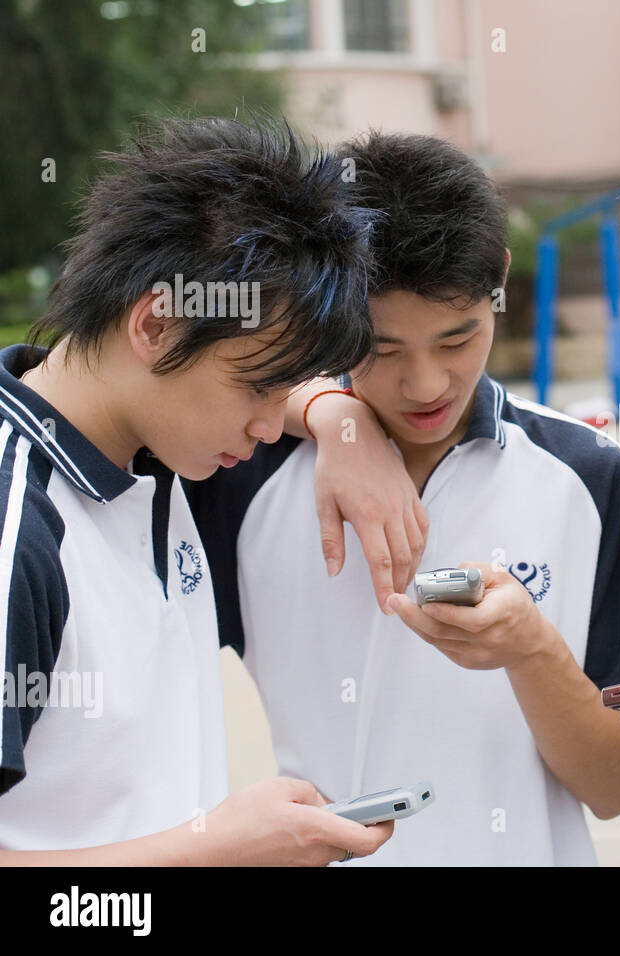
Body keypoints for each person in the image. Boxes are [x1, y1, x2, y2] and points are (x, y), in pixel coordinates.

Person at [195, 133, 620, 865]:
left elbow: (615, 789)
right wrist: (329, 414)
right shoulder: (239, 470)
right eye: (380, 349)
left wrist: (531, 651)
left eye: (458, 338)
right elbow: (107, 372)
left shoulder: (586, 473)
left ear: (499, 280)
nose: (426, 386)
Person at [0, 117, 393, 864]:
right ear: (158, 323)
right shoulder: (17, 527)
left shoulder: (160, 451)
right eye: (259, 386)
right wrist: (217, 850)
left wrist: (337, 416)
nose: (270, 425)